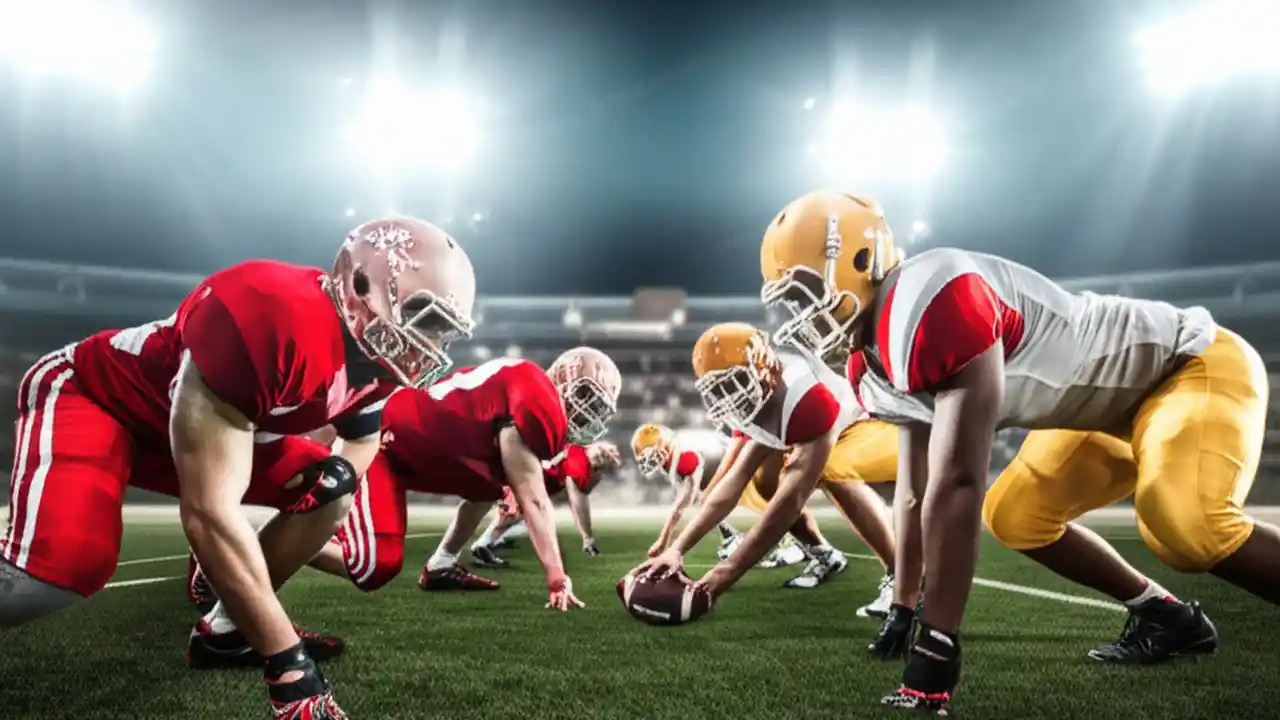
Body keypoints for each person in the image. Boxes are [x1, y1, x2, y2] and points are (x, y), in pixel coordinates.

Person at [760, 189, 1278, 714]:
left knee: (1185, 526)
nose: (803, 314)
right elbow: (914, 494)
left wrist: (937, 644)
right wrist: (903, 601)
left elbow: (959, 480)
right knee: (1016, 516)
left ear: (861, 258)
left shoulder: (931, 294)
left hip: (1187, 365)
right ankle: (1168, 617)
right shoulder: (868, 366)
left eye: (806, 293)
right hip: (1095, 415)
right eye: (792, 302)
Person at [2, 216, 477, 718]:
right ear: (361, 283)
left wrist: (344, 473)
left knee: (330, 488)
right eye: (424, 319)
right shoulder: (272, 314)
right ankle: (251, 627)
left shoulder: (375, 364)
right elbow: (209, 513)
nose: (430, 345)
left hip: (208, 432)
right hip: (105, 404)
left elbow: (360, 439)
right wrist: (289, 665)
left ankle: (226, 631)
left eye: (442, 331)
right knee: (58, 570)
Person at [632, 323, 900, 611]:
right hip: (819, 429)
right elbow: (731, 485)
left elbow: (790, 503)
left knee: (832, 468)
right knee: (762, 481)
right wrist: (676, 550)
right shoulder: (755, 398)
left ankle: (901, 576)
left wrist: (719, 578)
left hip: (875, 426)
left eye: (734, 383)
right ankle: (823, 553)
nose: (729, 396)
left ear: (764, 369)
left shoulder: (804, 398)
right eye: (718, 388)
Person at [469, 440, 622, 568]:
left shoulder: (580, 454)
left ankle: (494, 541)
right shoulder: (579, 464)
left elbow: (579, 490)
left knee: (529, 521)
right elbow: (579, 503)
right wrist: (588, 538)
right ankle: (482, 545)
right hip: (526, 480)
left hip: (530, 479)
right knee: (513, 515)